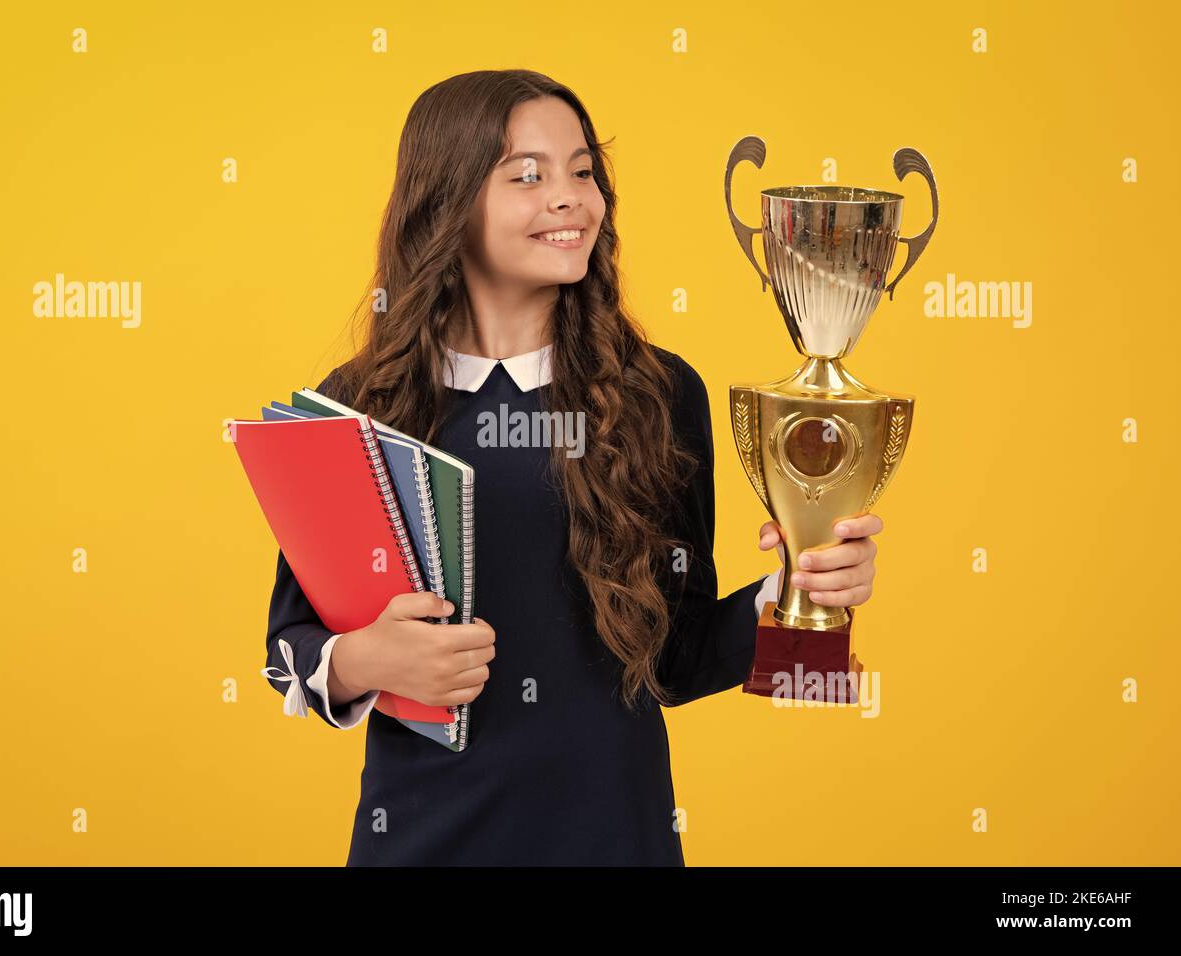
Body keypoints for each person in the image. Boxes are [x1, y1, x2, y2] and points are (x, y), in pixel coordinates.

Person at [263, 69, 883, 865]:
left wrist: (799, 590)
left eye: (583, 171)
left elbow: (675, 658)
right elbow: (290, 648)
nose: (571, 198)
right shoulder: (355, 406)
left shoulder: (658, 394)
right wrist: (360, 661)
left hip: (616, 840)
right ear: (447, 198)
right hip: (417, 843)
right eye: (529, 174)